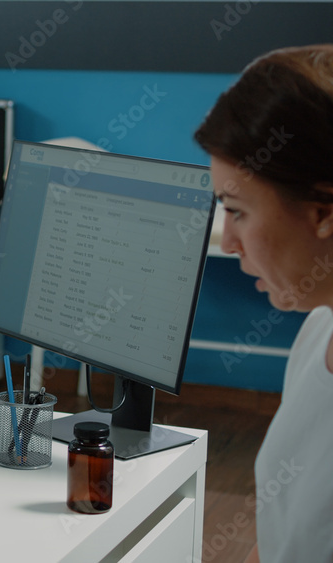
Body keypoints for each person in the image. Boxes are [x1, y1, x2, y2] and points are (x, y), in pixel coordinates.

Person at [194, 44, 333, 562]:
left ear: (323, 211)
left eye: (237, 210)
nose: (229, 241)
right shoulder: (320, 329)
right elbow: (283, 540)